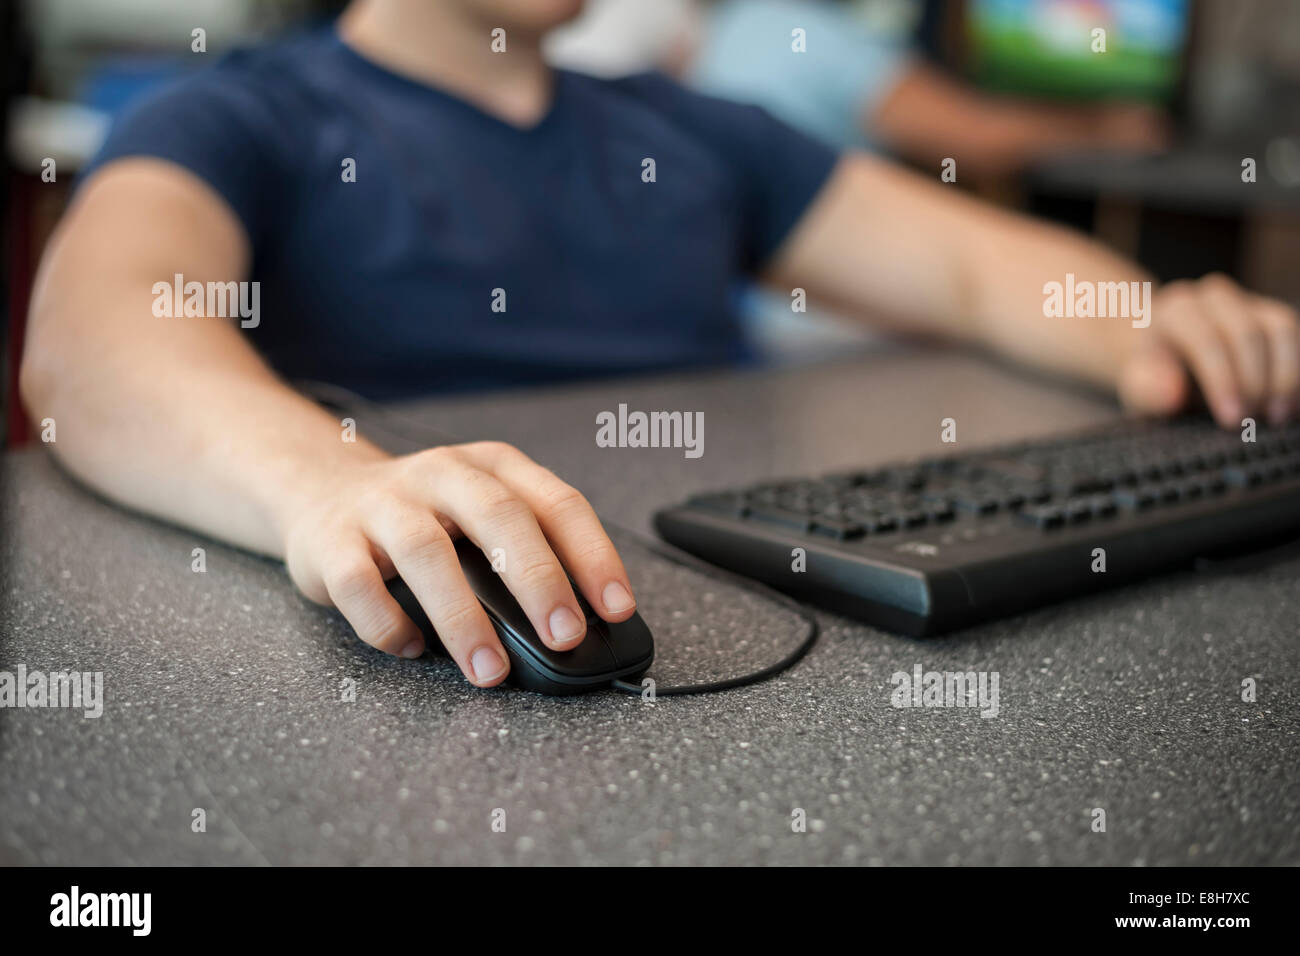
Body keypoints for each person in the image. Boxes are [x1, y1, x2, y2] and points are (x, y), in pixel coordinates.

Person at [21, 0, 1299, 689]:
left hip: (739, 632)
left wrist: (1157, 317)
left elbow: (972, 263)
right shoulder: (239, 113)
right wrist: (332, 486)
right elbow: (93, 335)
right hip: (430, 679)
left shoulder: (698, 129)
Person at [691, 0, 1169, 173]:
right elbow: (977, 139)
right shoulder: (815, 38)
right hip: (828, 332)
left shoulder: (734, 25)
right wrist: (1108, 128)